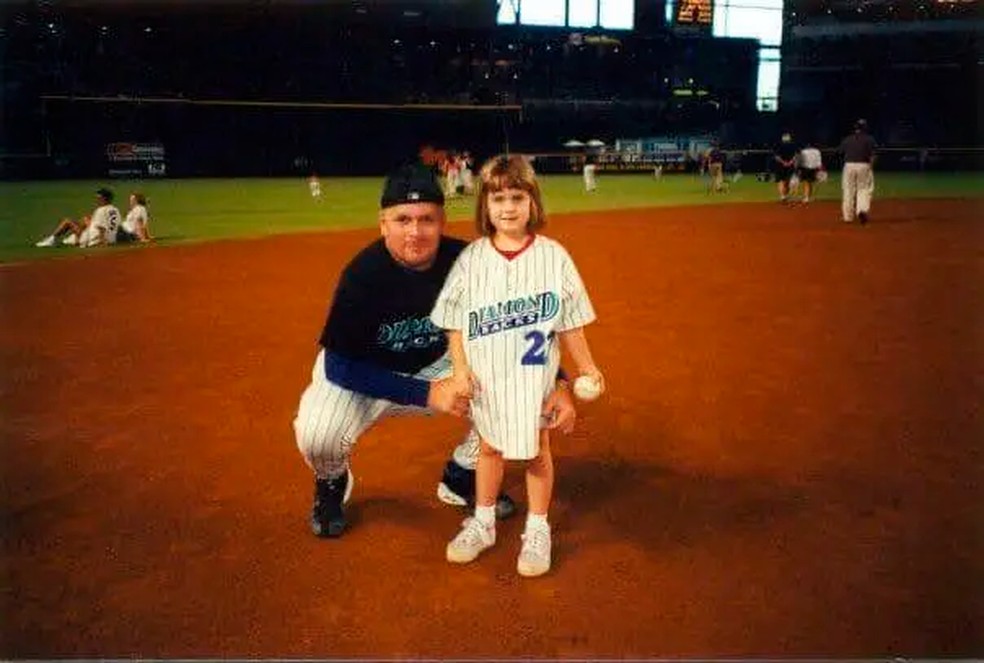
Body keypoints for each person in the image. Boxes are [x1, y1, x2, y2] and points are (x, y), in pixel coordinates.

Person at [291, 164, 577, 539]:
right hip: (365, 377)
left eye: (426, 219)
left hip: (439, 367)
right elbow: (339, 367)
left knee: (526, 394)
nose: (415, 231)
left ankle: (463, 474)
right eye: (403, 219)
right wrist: (426, 393)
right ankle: (331, 479)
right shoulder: (362, 276)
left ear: (442, 221)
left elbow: (523, 329)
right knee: (318, 433)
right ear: (383, 224)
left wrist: (559, 383)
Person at [431, 154, 604, 577]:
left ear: (532, 202)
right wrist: (459, 369)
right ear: (485, 206)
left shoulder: (554, 257)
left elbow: (570, 323)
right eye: (498, 198)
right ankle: (484, 522)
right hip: (487, 378)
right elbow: (454, 322)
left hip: (534, 378)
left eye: (517, 197)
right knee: (488, 448)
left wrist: (588, 368)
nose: (508, 207)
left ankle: (538, 528)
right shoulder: (471, 259)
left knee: (537, 450)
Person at [35, 187, 122, 248]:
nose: (97, 199)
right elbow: (116, 226)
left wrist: (100, 242)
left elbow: (101, 228)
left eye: (99, 197)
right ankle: (69, 238)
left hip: (94, 240)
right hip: (111, 239)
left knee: (67, 221)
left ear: (103, 199)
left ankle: (51, 240)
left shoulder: (100, 210)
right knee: (86, 218)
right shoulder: (115, 210)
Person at [839, 119, 877, 224]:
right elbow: (873, 155)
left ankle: (847, 217)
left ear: (855, 128)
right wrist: (870, 167)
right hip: (863, 164)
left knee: (848, 190)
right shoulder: (870, 139)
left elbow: (841, 152)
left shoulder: (847, 139)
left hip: (848, 165)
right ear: (865, 128)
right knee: (864, 189)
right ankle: (861, 210)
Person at [773, 133, 798, 202]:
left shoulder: (778, 145)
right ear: (789, 139)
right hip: (790, 166)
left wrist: (783, 162)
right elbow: (796, 156)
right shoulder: (793, 146)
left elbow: (777, 157)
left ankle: (782, 196)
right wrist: (790, 162)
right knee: (787, 181)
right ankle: (786, 195)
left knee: (780, 181)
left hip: (780, 166)